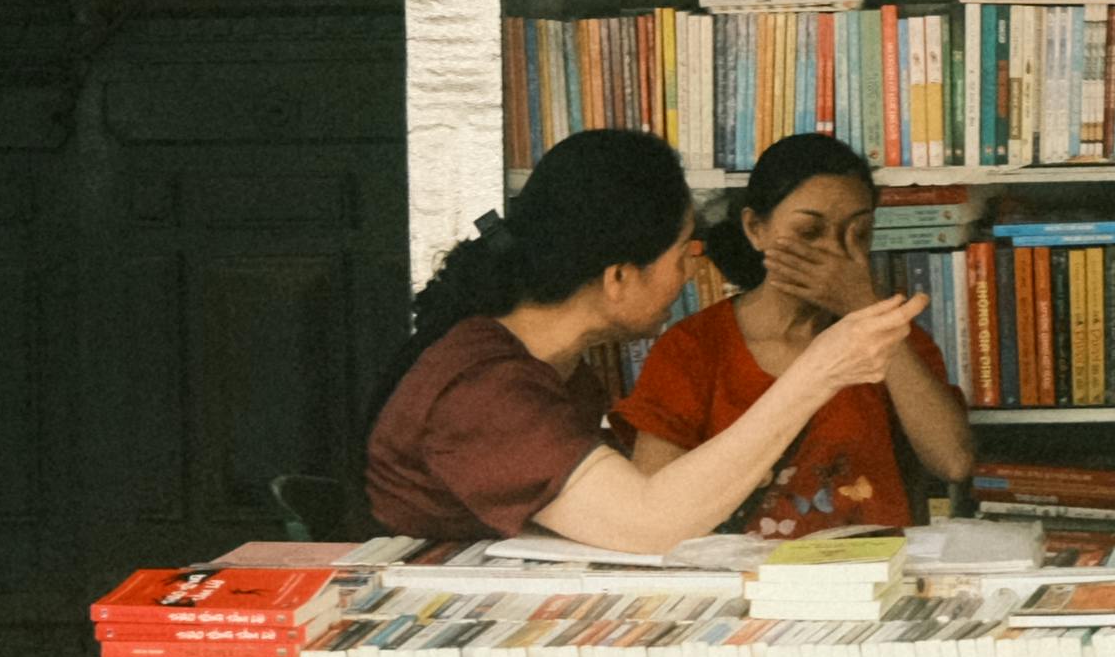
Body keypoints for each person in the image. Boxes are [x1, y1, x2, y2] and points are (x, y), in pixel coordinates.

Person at [362, 125, 928, 549]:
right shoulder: (482, 390)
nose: (689, 274)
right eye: (682, 253)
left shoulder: (556, 369)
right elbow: (650, 521)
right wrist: (819, 370)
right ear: (618, 278)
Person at [618, 129, 971, 536]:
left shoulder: (891, 340)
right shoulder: (693, 348)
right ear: (755, 229)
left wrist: (868, 311)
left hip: (871, 576)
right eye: (809, 233)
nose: (836, 253)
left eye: (858, 234)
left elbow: (953, 462)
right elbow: (653, 501)